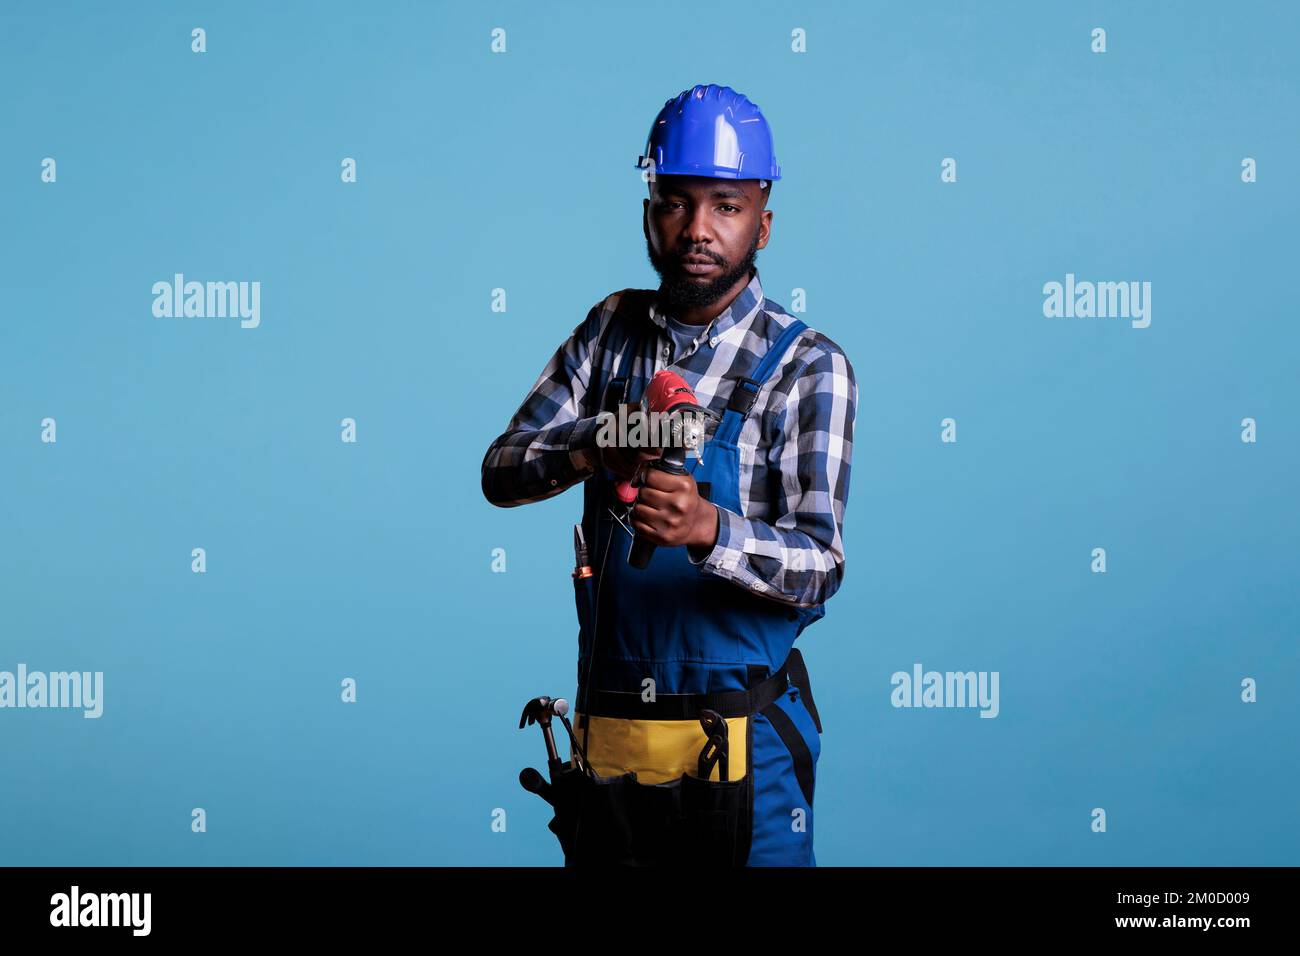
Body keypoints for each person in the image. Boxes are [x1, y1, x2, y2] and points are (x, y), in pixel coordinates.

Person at [481, 83, 857, 866]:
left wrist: (708, 530)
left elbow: (820, 567)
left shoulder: (808, 366)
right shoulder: (609, 330)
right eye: (675, 203)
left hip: (743, 755)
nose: (697, 230)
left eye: (725, 206)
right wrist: (596, 444)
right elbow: (502, 469)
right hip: (613, 748)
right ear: (649, 209)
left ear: (764, 220)